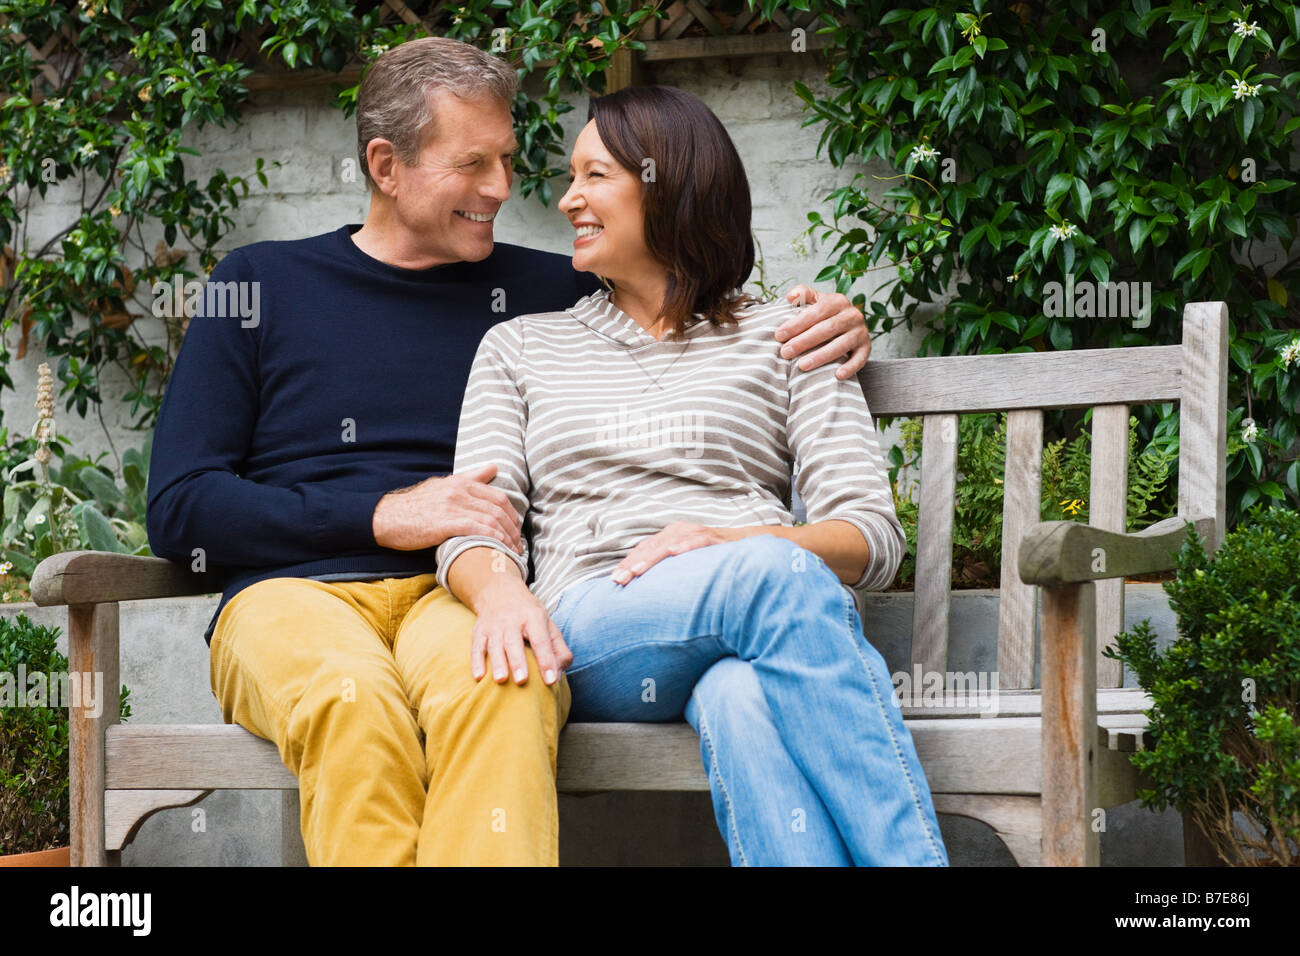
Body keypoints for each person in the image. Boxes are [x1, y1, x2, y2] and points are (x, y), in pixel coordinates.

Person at [145, 38, 877, 866]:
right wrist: (383, 512)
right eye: (474, 164)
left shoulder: (550, 292)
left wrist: (833, 315)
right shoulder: (262, 283)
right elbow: (180, 506)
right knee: (352, 704)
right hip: (291, 595)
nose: (504, 188)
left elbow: (692, 299)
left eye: (507, 159)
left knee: (510, 685)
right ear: (387, 164)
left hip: (462, 592)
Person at [437, 84, 949, 866]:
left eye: (595, 175)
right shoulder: (520, 349)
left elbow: (872, 539)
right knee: (770, 575)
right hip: (597, 625)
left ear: (669, 182)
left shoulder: (791, 334)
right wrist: (498, 592)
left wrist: (732, 541)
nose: (569, 197)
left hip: (760, 622)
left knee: (742, 699)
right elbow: (475, 524)